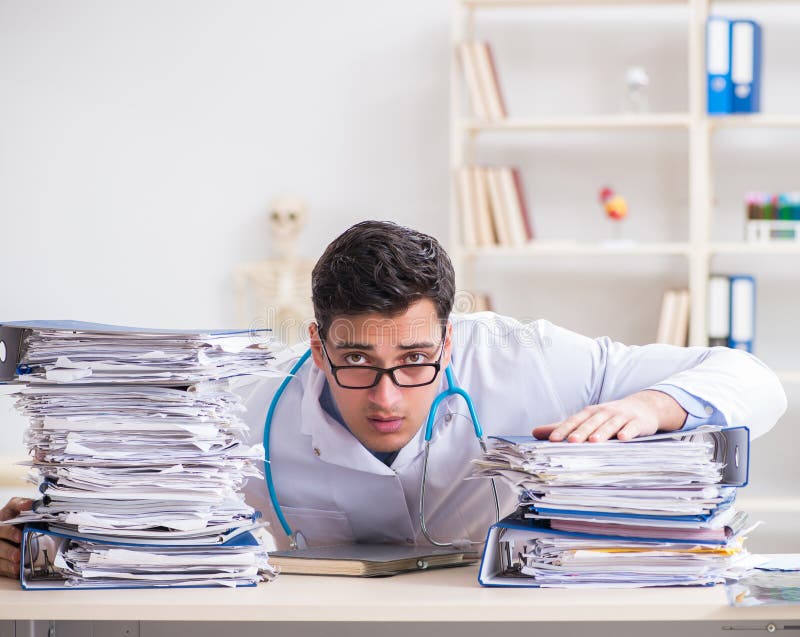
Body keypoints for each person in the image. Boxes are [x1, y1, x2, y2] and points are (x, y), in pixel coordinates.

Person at [0, 221, 787, 573]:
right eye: (354, 360)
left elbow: (756, 379)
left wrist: (653, 407)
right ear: (315, 343)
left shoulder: (531, 359)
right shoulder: (238, 402)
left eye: (414, 359)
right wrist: (54, 524)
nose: (386, 393)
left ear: (450, 340)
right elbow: (135, 490)